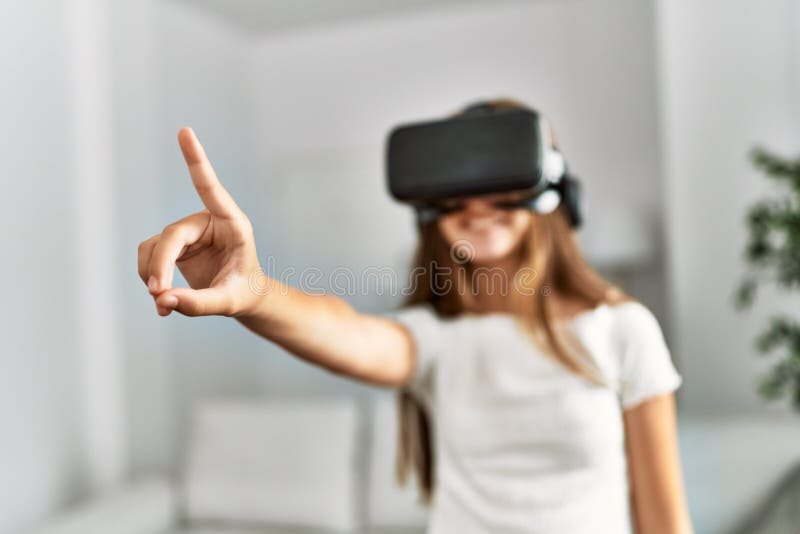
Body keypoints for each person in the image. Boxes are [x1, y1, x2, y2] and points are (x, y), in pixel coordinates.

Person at [137, 98, 694, 533]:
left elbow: (666, 523)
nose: (477, 207)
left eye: (498, 184)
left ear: (553, 192)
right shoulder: (438, 340)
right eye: (459, 189)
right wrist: (256, 292)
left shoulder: (622, 329)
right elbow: (348, 334)